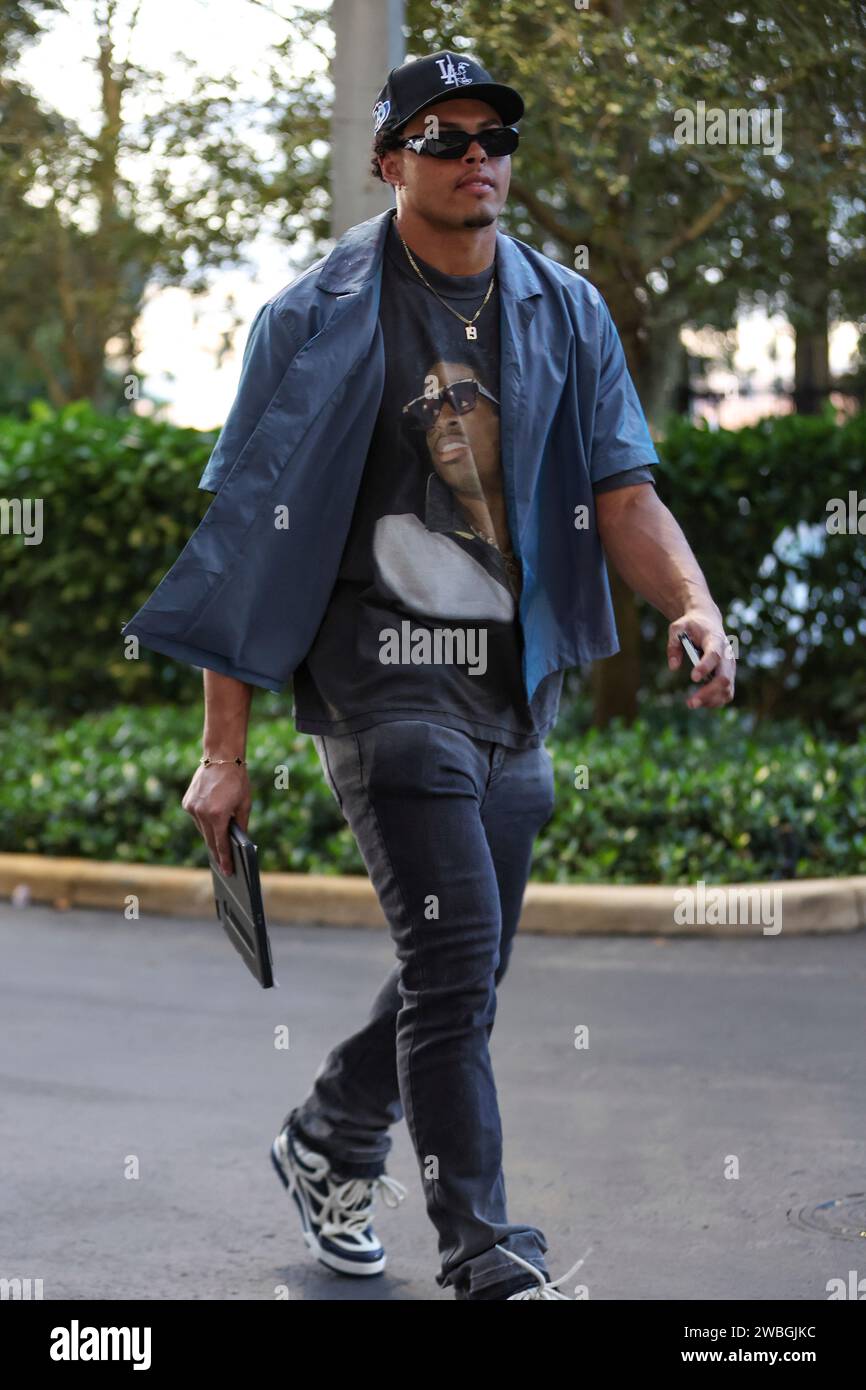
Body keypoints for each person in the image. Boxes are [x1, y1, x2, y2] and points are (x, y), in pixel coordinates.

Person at [123, 50, 735, 1301]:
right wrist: (222, 752)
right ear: (389, 160)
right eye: (442, 135)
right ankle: (488, 1256)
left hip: (514, 690)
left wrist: (691, 603)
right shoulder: (311, 313)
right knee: (458, 968)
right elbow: (248, 531)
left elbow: (622, 491)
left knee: (465, 958)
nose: (474, 157)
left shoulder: (565, 310)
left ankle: (331, 1134)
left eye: (491, 137)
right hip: (377, 680)